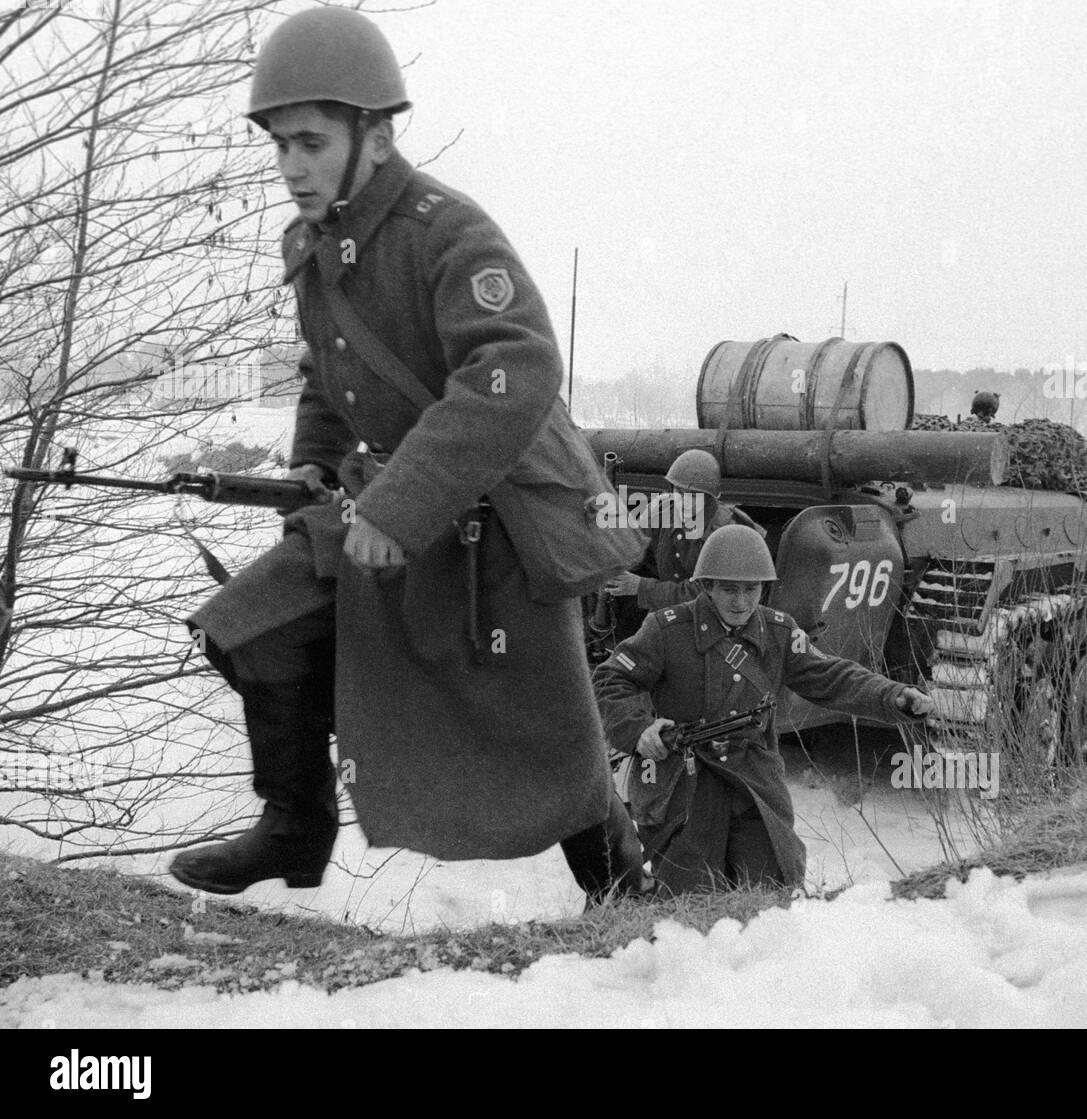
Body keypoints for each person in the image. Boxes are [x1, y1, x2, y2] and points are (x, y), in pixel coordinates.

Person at [170, 7, 648, 906]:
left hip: (502, 503)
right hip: (392, 490)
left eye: (309, 142)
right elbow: (328, 367)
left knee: (548, 727)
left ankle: (625, 892)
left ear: (377, 136)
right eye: (279, 145)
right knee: (249, 622)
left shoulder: (445, 230)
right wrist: (314, 464)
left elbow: (517, 363)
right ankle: (295, 823)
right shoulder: (316, 245)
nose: (290, 166)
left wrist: (401, 505)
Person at [592, 524, 935, 894]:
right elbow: (612, 679)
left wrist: (892, 695)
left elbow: (832, 677)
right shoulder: (667, 629)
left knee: (771, 887)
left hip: (752, 781)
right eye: (729, 589)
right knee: (687, 897)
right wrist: (640, 729)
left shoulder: (778, 632)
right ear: (707, 586)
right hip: (684, 781)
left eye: (750, 589)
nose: (741, 602)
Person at [604, 449, 763, 611]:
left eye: (694, 496)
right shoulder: (662, 512)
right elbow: (635, 551)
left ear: (710, 497)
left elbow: (704, 594)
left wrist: (641, 588)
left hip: (713, 618)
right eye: (679, 492)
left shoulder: (727, 533)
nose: (684, 502)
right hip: (668, 612)